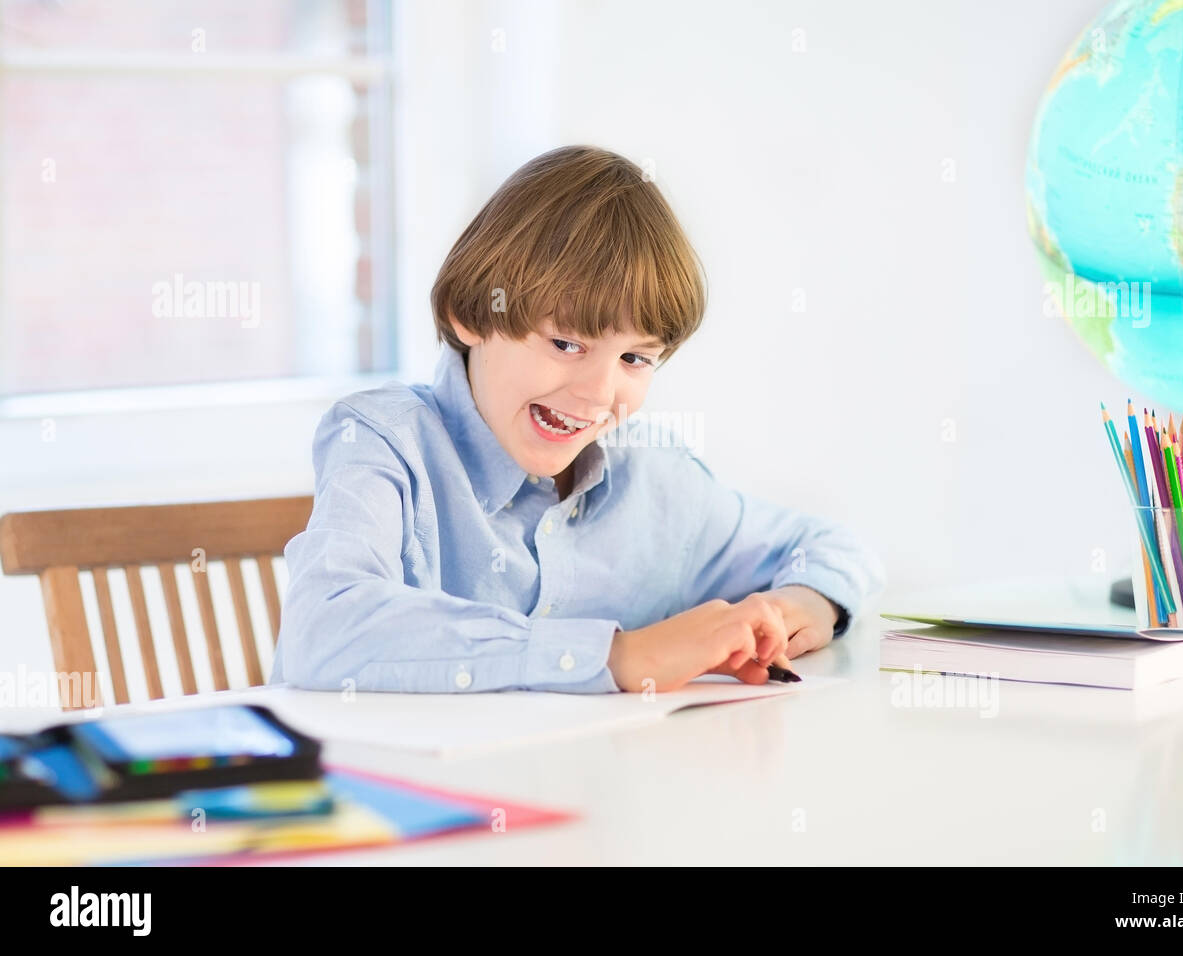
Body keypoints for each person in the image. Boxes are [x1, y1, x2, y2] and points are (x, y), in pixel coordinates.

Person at [270, 145, 883, 694]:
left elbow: (829, 547)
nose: (598, 393)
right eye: (567, 344)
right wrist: (619, 656)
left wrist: (800, 604)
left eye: (635, 358)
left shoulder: (657, 478)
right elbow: (323, 628)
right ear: (470, 315)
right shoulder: (384, 441)